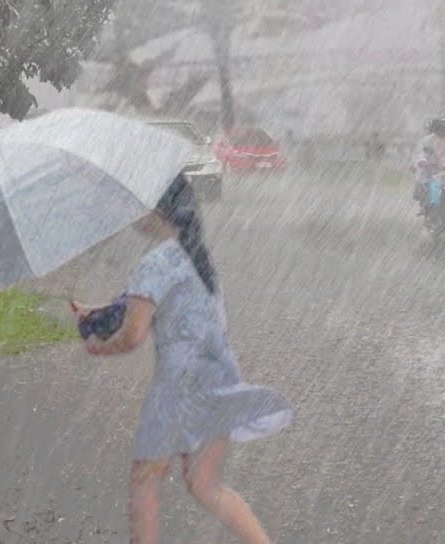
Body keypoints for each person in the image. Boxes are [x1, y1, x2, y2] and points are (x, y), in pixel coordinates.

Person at [70, 174, 292, 544]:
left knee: (146, 482)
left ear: (157, 210)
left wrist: (99, 346)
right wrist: (93, 312)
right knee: (205, 485)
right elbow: (137, 304)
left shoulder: (156, 262)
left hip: (178, 387)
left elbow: (132, 335)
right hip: (217, 378)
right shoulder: (196, 254)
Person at [412, 117, 445, 215]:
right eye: (441, 129)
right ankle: (428, 207)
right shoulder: (426, 141)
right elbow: (419, 155)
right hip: (429, 173)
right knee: (436, 184)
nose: (444, 131)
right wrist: (424, 162)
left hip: (443, 171)